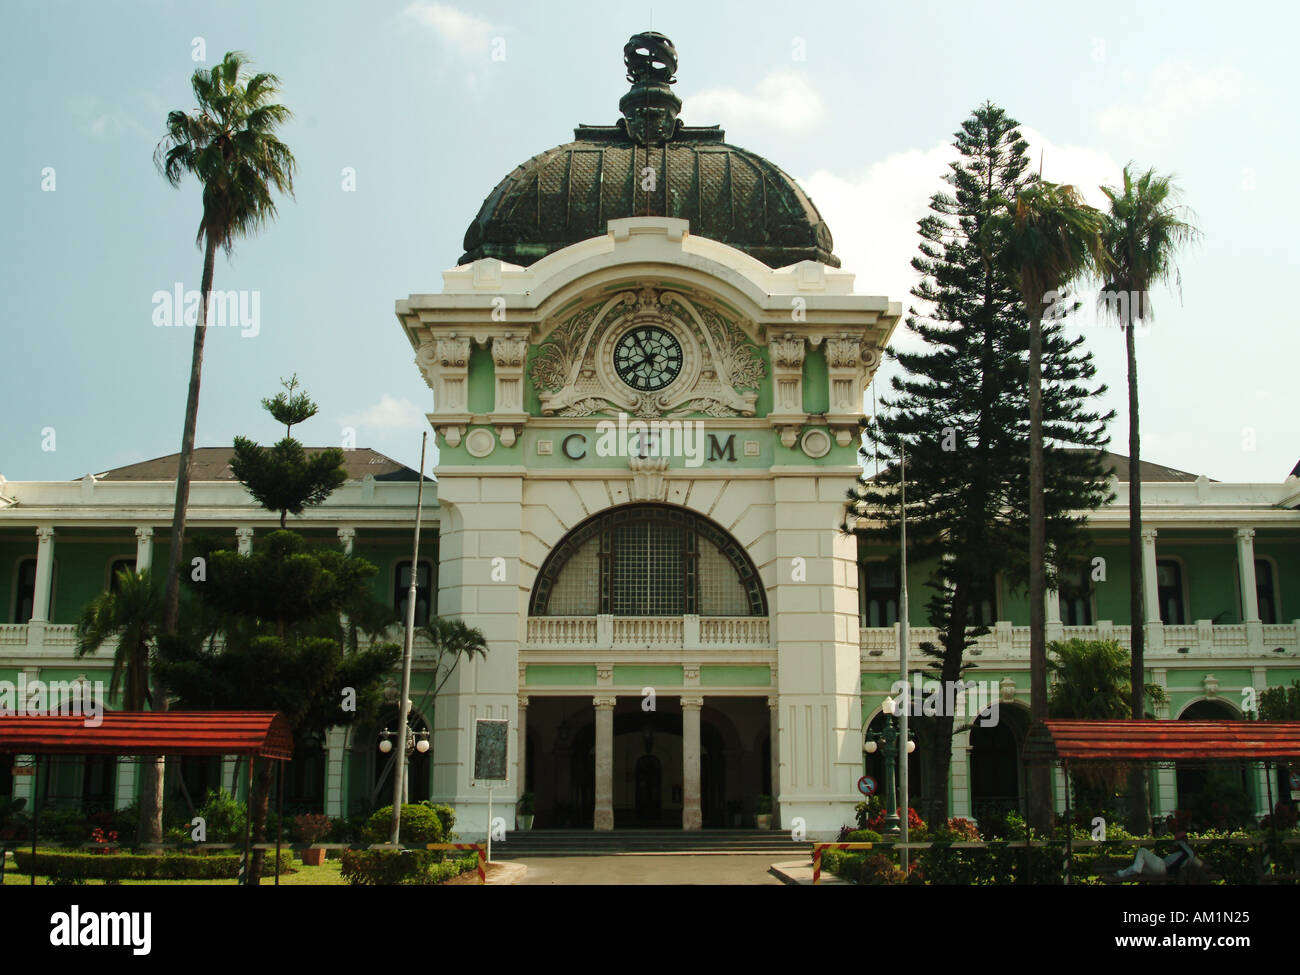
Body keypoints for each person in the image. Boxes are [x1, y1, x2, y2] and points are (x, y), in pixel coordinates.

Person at [1114, 831, 1202, 880]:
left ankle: (1136, 869)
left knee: (1142, 850)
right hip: (1161, 869)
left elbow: (1188, 851)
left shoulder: (1187, 854)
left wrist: (1181, 841)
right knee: (1140, 866)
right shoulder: (1181, 854)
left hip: (1162, 866)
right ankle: (1120, 874)